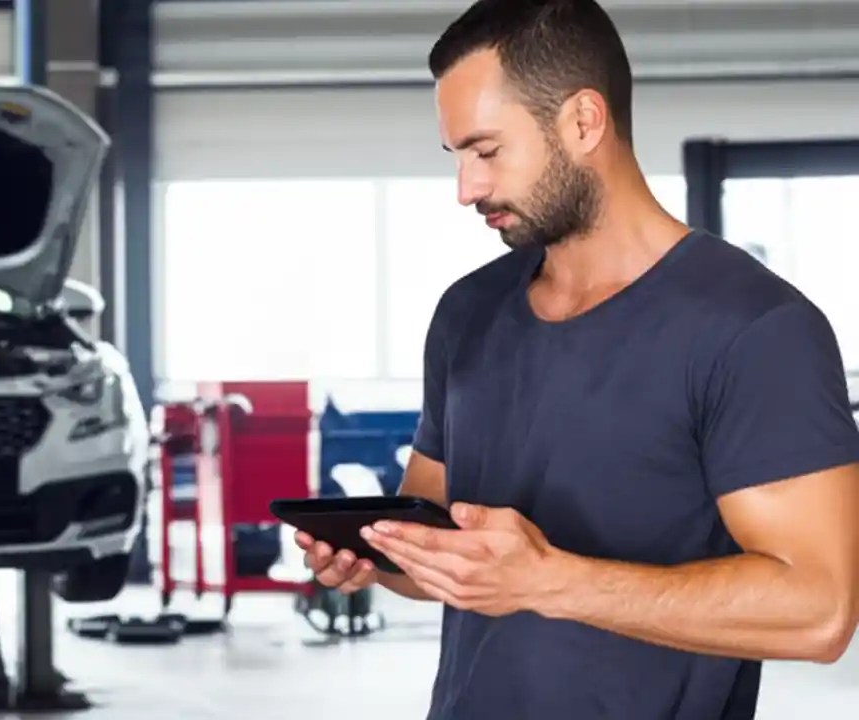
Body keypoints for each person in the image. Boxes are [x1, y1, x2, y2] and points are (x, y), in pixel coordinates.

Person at [294, 1, 859, 718]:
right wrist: (378, 556)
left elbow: (820, 610)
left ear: (584, 122)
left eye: (487, 151)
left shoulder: (757, 329)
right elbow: (449, 556)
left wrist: (549, 582)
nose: (465, 188)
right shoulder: (467, 315)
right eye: (458, 157)